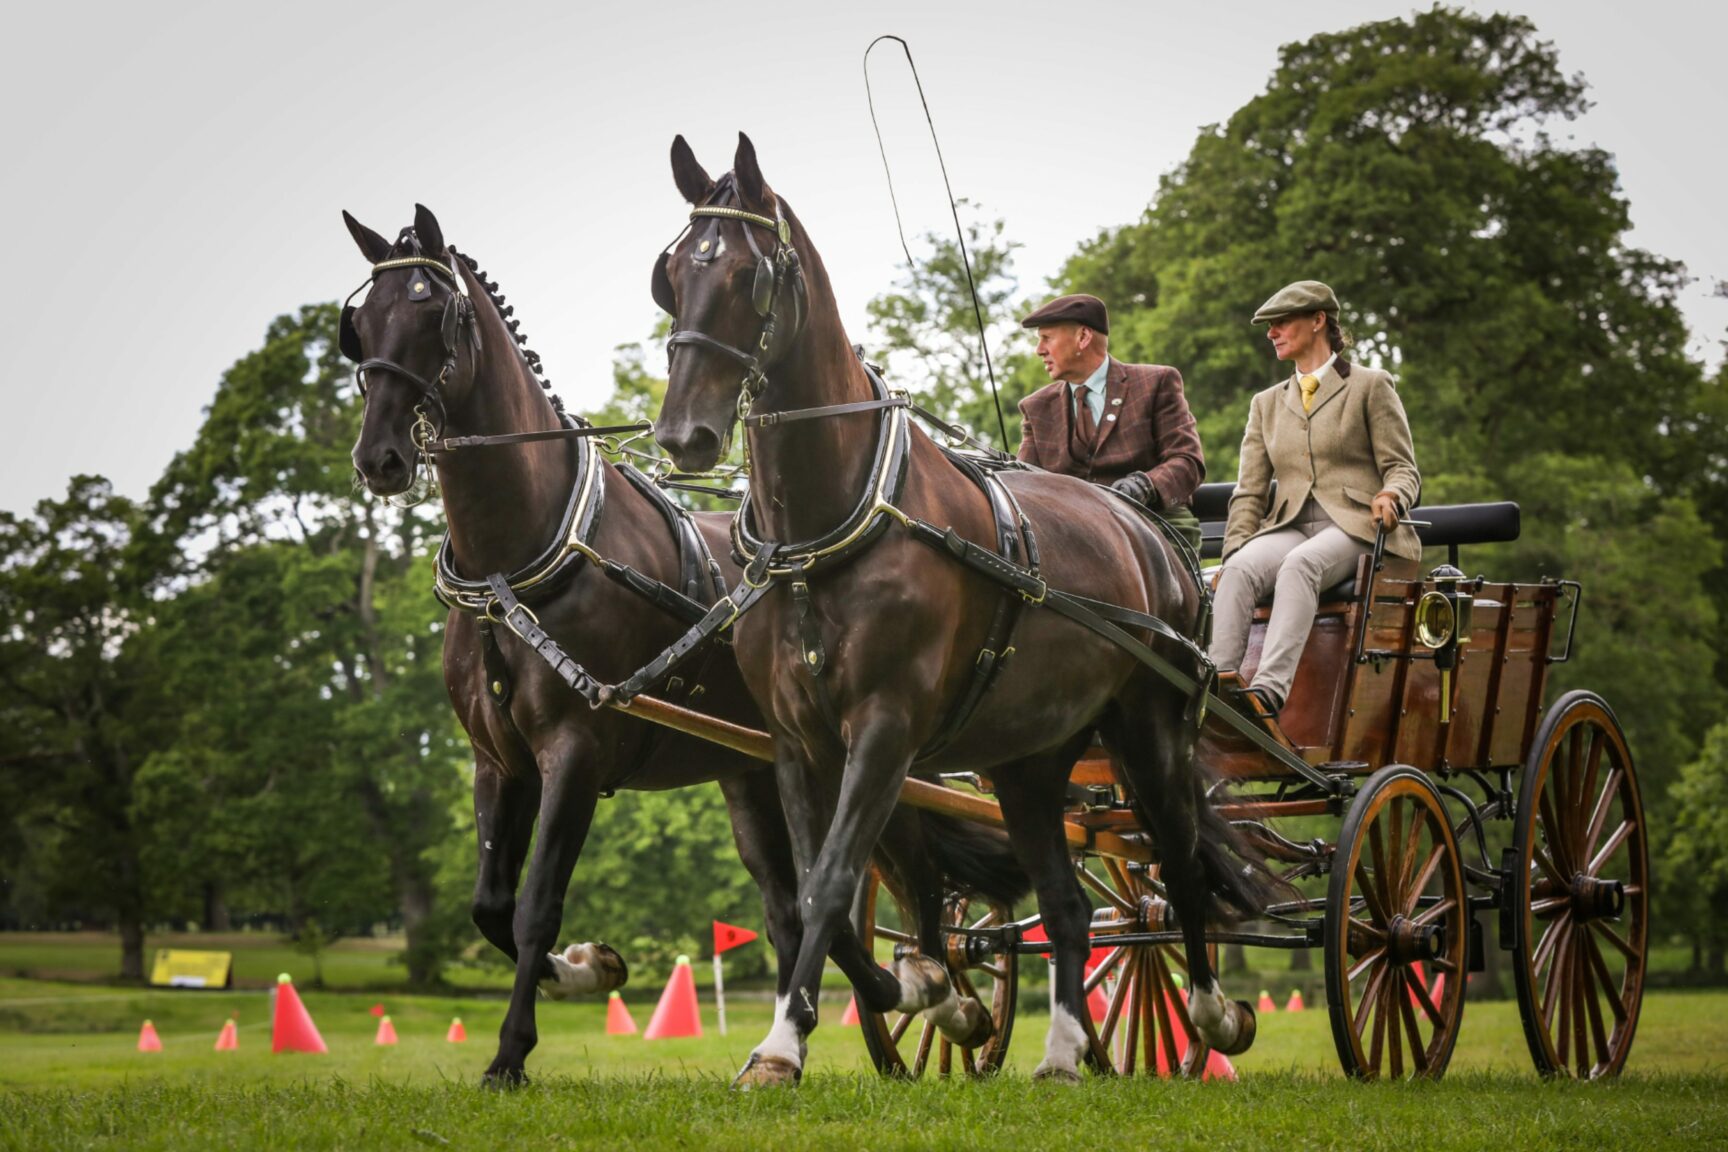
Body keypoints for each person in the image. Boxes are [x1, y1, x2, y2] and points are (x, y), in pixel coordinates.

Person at [1210, 281, 1421, 718]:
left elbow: (1403, 468)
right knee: (1239, 569)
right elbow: (1249, 490)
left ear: (1318, 320)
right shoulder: (1266, 404)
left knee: (1300, 566)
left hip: (1358, 526)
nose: (1272, 333)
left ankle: (1266, 692)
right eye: (1270, 327)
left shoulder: (1371, 385)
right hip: (1291, 525)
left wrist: (1393, 495)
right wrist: (1234, 549)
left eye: (1281, 323)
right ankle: (1214, 688)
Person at [1015, 294, 1205, 549]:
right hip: (1073, 537)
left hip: (1153, 526)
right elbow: (1023, 483)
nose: (1039, 350)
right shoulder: (1036, 407)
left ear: (1083, 337)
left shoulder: (1156, 383)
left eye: (1046, 338)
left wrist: (1144, 486)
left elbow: (1188, 462)